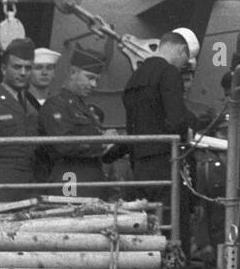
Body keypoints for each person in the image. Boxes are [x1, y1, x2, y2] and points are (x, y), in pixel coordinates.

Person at [121, 28, 199, 204]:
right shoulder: (169, 73)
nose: (181, 66)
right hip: (165, 166)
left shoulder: (134, 78)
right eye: (184, 60)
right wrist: (187, 131)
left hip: (139, 168)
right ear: (181, 50)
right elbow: (176, 121)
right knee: (175, 223)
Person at [0, 39, 42, 201]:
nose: (23, 73)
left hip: (29, 183)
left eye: (28, 67)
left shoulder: (32, 104)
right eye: (17, 67)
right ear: (4, 69)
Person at [43, 65, 113, 192]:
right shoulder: (56, 105)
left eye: (97, 80)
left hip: (91, 179)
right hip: (70, 179)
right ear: (73, 73)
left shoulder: (83, 108)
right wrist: (103, 143)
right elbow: (64, 145)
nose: (93, 84)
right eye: (90, 77)